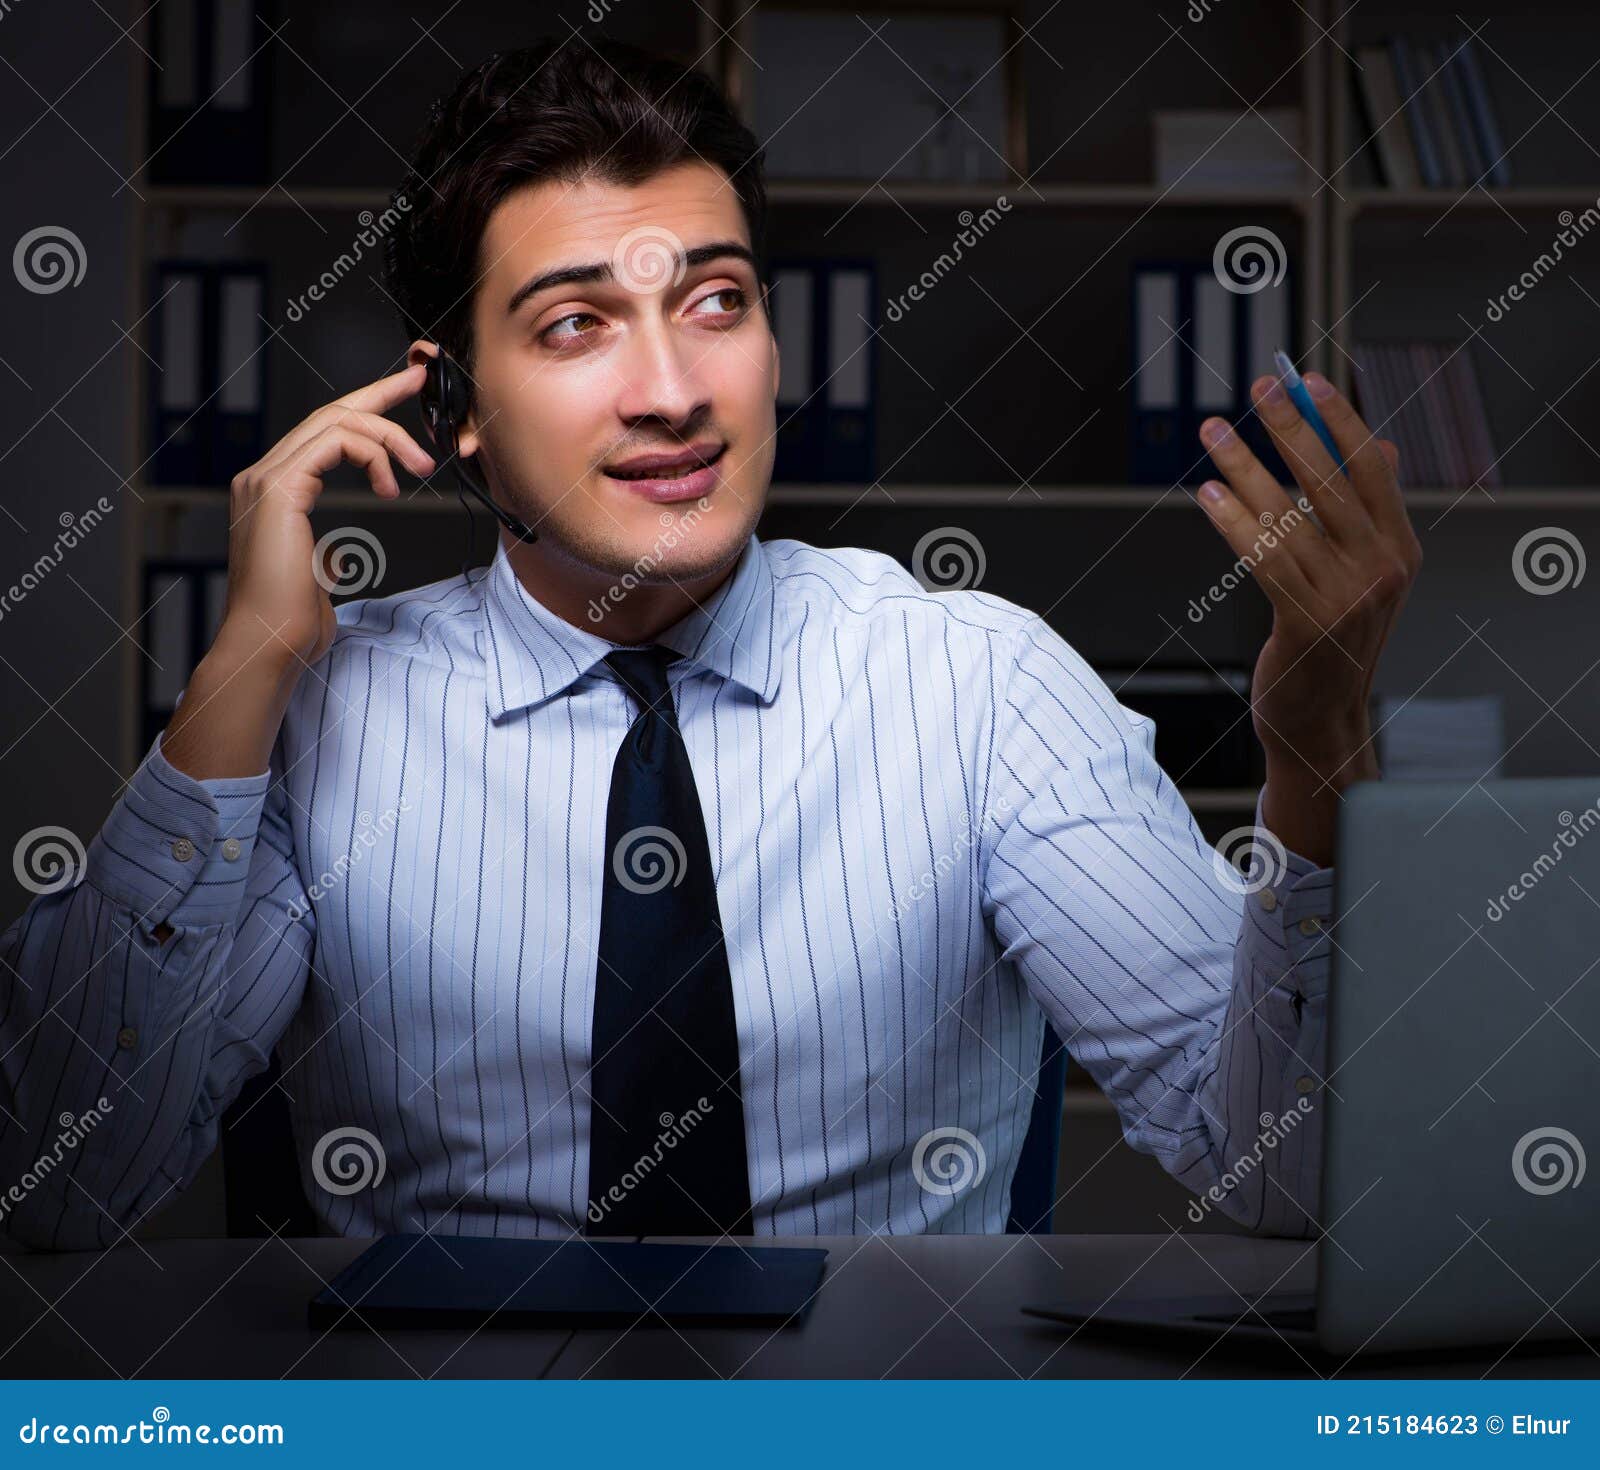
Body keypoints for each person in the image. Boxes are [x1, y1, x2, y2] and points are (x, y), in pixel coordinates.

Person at [0, 39, 1418, 1250]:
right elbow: (69, 1185)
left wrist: (1316, 756)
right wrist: (240, 674)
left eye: (716, 303)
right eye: (576, 326)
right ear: (460, 409)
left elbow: (1287, 1176)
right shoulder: (324, 719)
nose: (672, 390)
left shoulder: (982, 685)